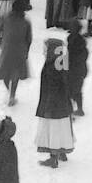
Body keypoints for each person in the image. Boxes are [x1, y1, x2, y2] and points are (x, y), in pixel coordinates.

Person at [36, 36, 75, 168]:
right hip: (63, 105)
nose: (43, 52)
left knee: (52, 131)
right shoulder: (62, 63)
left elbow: (52, 88)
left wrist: (47, 107)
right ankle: (62, 152)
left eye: (45, 49)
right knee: (63, 129)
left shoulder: (50, 67)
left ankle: (53, 158)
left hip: (53, 107)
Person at [0, 0, 32, 105]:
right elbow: (29, 39)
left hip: (6, 49)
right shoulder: (26, 22)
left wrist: (0, 41)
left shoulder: (4, 18)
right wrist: (26, 52)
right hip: (20, 50)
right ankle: (12, 95)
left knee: (6, 73)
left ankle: (9, 91)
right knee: (16, 74)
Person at [66, 19, 89, 116]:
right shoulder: (82, 41)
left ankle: (71, 110)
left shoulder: (70, 39)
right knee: (77, 90)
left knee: (70, 90)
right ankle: (79, 109)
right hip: (80, 69)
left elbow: (69, 55)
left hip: (73, 69)